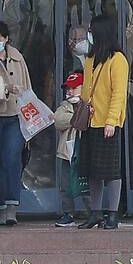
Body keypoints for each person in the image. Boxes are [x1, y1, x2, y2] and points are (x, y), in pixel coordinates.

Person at [73, 16, 129, 229]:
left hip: (108, 122)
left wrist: (112, 121)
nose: (88, 34)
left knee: (111, 171)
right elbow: (87, 89)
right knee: (92, 170)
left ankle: (112, 214)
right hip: (91, 122)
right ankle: (95, 213)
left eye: (90, 30)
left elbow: (118, 93)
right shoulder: (91, 58)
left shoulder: (118, 59)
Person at [0, 19, 31, 227]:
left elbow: (27, 87)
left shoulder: (17, 58)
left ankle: (12, 207)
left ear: (6, 39)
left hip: (15, 114)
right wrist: (4, 89)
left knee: (12, 158)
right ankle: (0, 205)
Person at [52, 69, 87, 227]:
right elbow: (58, 120)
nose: (70, 91)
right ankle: (68, 213)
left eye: (74, 87)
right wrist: (77, 118)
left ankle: (94, 211)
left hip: (84, 151)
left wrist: (79, 117)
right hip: (66, 152)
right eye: (68, 88)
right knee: (65, 185)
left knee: (86, 184)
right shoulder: (64, 106)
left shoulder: (89, 104)